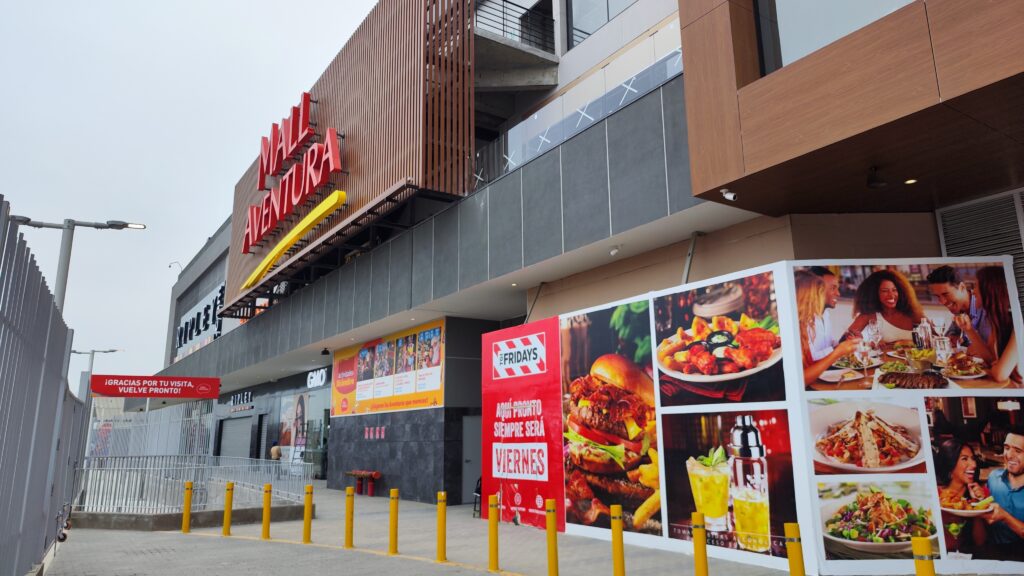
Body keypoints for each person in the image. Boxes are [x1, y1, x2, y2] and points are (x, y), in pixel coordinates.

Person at [795, 271, 860, 385]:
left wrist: (842, 344)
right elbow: (801, 379)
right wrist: (837, 351)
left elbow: (826, 348)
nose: (822, 298)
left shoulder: (818, 317)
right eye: (820, 293)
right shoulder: (796, 327)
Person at [962, 266, 1019, 383]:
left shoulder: (1019, 322)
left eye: (976, 286)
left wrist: (997, 366)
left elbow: (1000, 374)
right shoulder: (999, 320)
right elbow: (990, 358)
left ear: (989, 289)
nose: (974, 291)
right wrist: (968, 329)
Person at [935, 439, 988, 552]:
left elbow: (980, 542)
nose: (973, 465)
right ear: (950, 464)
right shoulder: (935, 495)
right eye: (964, 459)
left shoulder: (981, 493)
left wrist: (977, 505)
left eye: (973, 459)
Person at [845, 269, 924, 343]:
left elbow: (933, 337)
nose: (891, 295)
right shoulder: (870, 315)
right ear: (874, 294)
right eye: (885, 291)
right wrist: (866, 343)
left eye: (894, 290)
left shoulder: (912, 313)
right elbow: (845, 340)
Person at [927, 265, 991, 346]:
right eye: (937, 296)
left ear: (962, 287)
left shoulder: (985, 308)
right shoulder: (958, 309)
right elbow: (952, 333)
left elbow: (989, 349)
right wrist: (953, 336)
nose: (942, 301)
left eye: (946, 294)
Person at [984, 429, 1024, 552]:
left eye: (1018, 451)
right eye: (1006, 448)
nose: (1009, 455)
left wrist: (1005, 517)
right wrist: (981, 499)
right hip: (994, 556)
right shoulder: (993, 477)